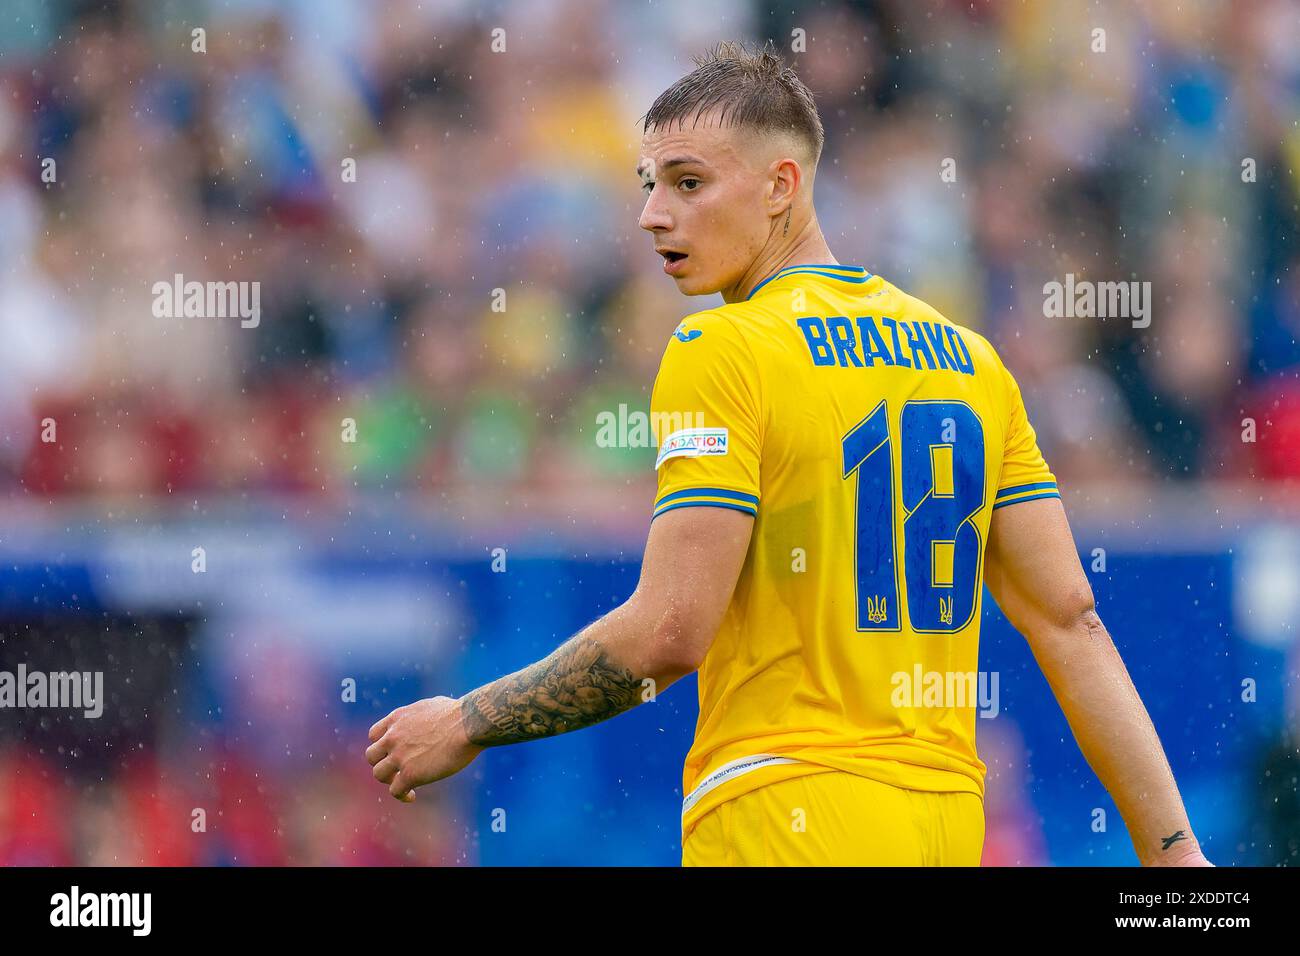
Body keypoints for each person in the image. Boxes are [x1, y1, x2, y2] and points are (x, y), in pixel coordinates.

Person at [366, 40, 1210, 867]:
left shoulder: (724, 347)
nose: (653, 214)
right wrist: (1174, 858)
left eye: (689, 182)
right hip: (947, 821)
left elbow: (669, 632)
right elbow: (1073, 623)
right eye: (649, 185)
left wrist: (469, 720)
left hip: (782, 809)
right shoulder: (972, 363)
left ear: (782, 186)